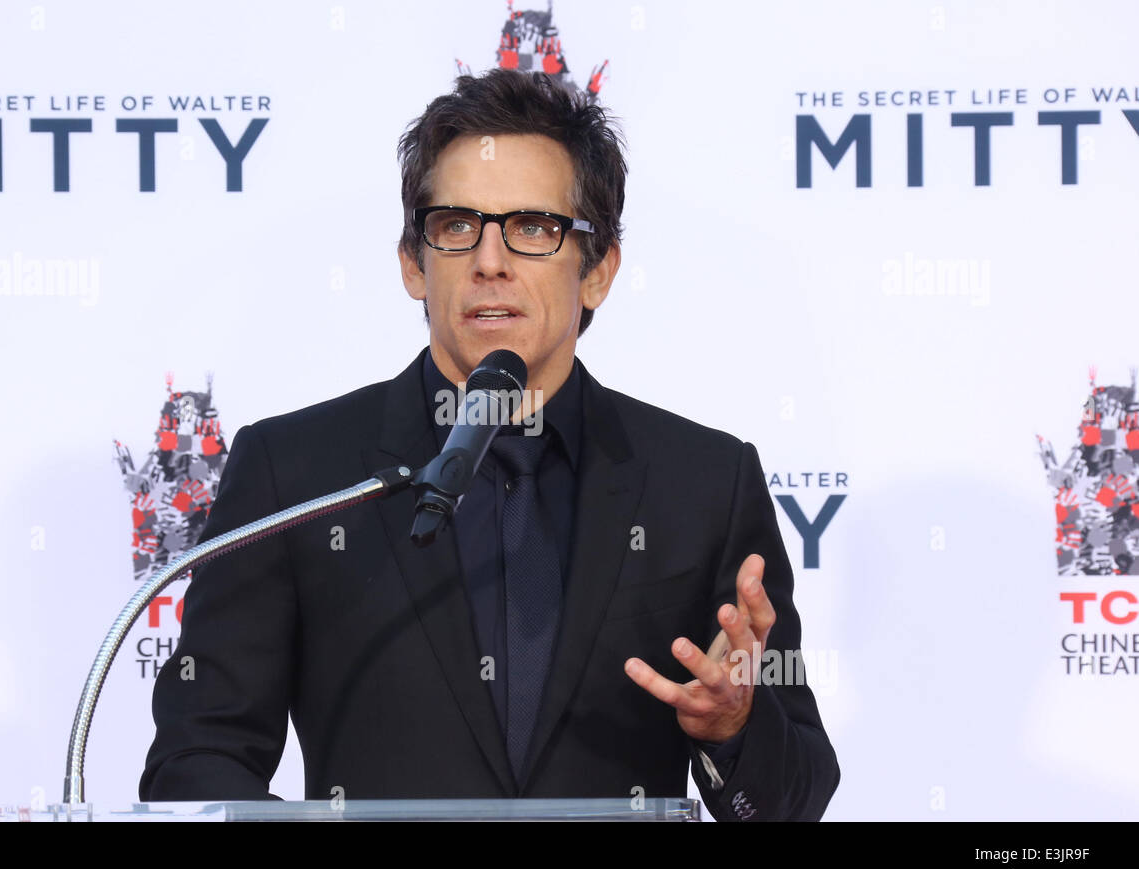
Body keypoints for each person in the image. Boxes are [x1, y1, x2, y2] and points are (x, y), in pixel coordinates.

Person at [140, 68, 839, 821]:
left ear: (598, 270)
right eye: (455, 226)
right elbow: (195, 762)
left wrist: (733, 728)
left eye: (534, 228)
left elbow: (793, 802)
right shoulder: (299, 474)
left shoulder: (703, 483)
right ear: (414, 262)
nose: (490, 260)